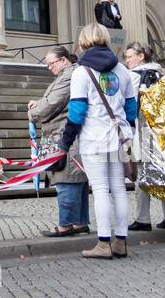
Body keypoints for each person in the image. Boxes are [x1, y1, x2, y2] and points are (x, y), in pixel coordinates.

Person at [56, 23, 138, 259]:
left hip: (94, 137)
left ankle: (103, 243)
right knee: (120, 189)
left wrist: (66, 140)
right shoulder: (122, 70)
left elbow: (77, 111)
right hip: (120, 137)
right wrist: (128, 129)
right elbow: (132, 107)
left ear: (83, 42)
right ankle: (121, 241)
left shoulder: (82, 72)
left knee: (100, 189)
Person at [29, 47, 90, 238]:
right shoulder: (71, 74)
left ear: (63, 60)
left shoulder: (69, 76)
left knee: (66, 179)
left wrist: (33, 112)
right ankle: (80, 222)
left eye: (51, 63)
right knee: (76, 179)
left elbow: (52, 103)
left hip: (64, 135)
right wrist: (39, 102)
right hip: (71, 134)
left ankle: (66, 225)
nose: (49, 67)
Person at [125, 41, 165, 232]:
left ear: (141, 57)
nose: (127, 60)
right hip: (164, 133)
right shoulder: (163, 75)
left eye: (130, 56)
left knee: (142, 175)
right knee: (163, 174)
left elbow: (127, 103)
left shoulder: (133, 76)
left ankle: (142, 218)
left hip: (142, 132)